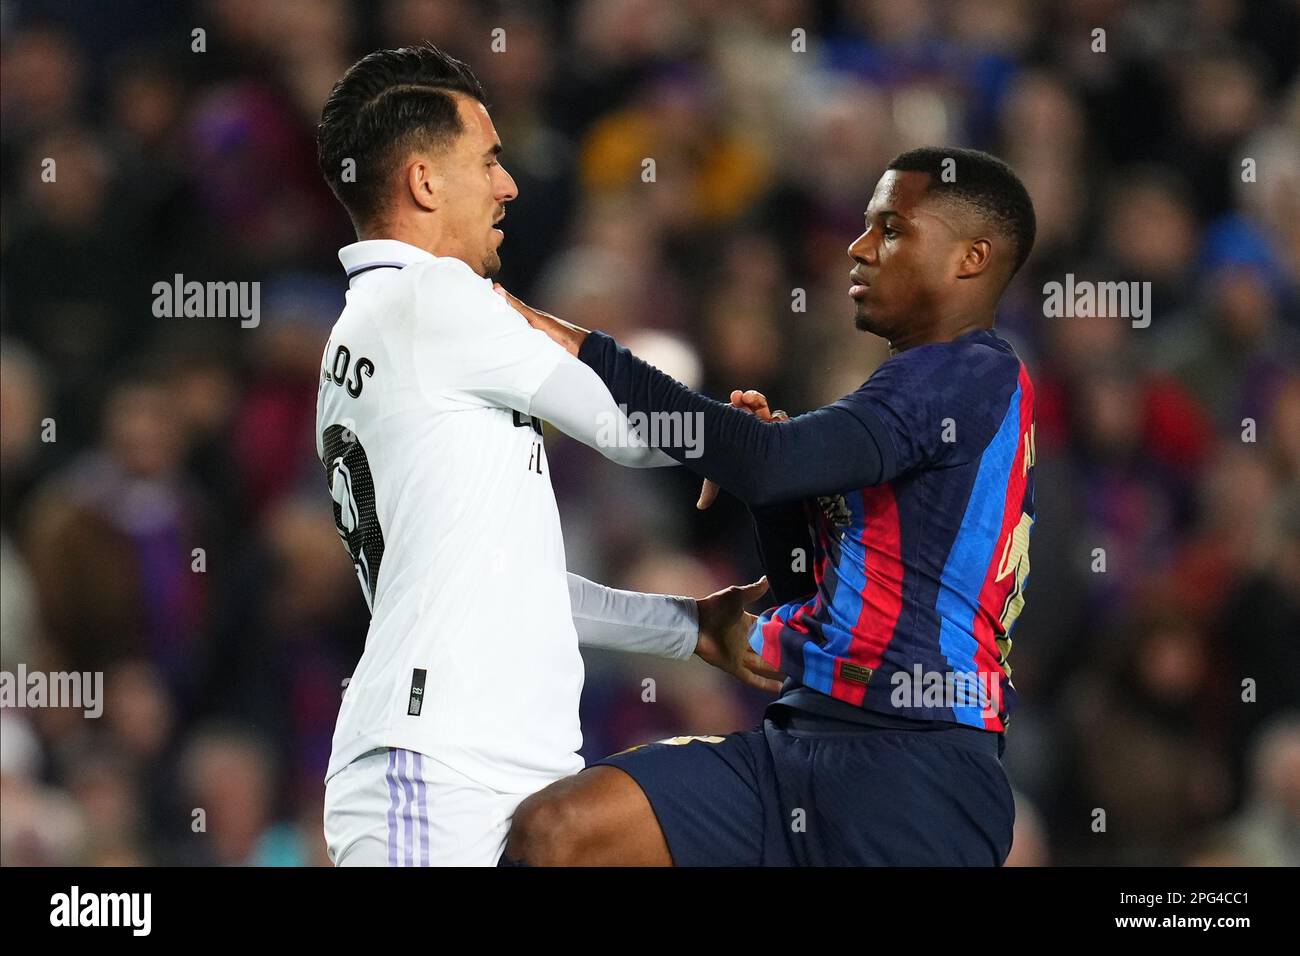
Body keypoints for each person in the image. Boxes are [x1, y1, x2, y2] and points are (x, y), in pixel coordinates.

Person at [498, 147, 1038, 866]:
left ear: (971, 258)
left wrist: (586, 349)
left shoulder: (969, 374)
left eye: (892, 229)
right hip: (797, 745)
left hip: (915, 773)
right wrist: (779, 499)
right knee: (557, 831)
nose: (860, 246)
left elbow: (762, 461)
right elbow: (803, 586)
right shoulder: (916, 388)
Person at [312, 44, 775, 866]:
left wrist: (689, 626)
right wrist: (749, 440)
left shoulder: (367, 332)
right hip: (441, 773)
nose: (509, 185)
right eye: (488, 161)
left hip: (485, 769)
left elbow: (507, 585)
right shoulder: (434, 296)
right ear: (424, 182)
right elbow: (628, 429)